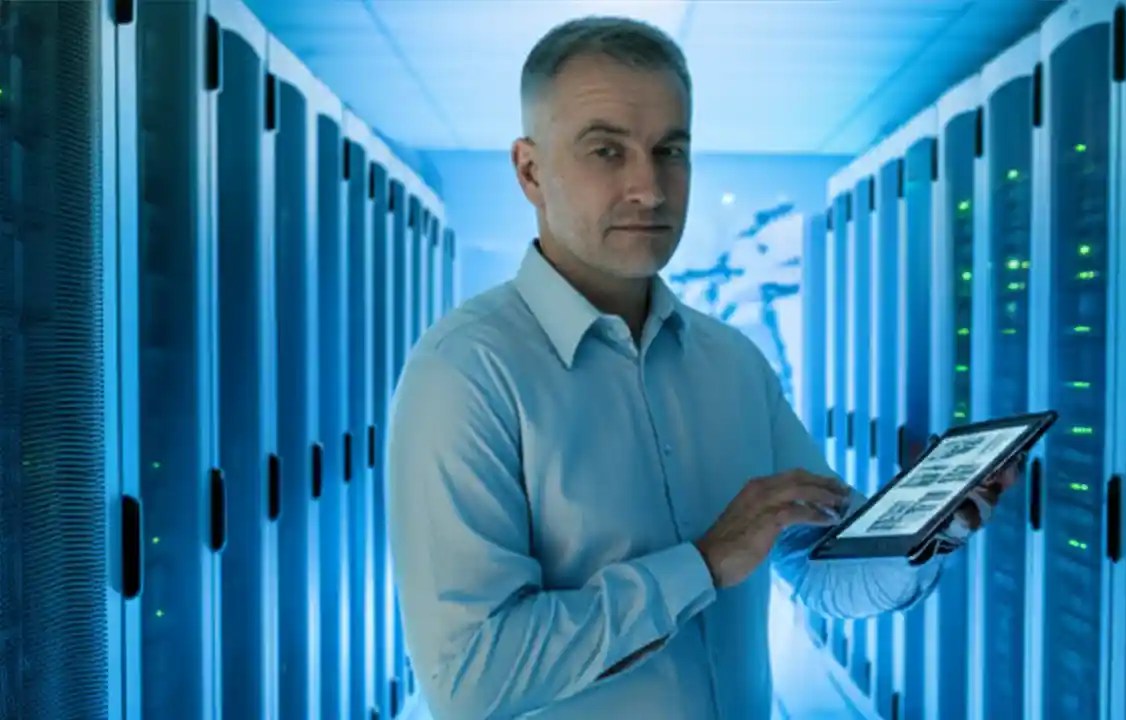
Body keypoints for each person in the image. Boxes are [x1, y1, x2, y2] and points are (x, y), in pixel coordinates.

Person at [386, 16, 1019, 720]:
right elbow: (471, 678)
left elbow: (820, 574)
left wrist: (929, 529)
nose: (649, 188)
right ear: (530, 170)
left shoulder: (734, 363)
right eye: (606, 151)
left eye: (671, 151)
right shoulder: (465, 374)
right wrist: (706, 564)